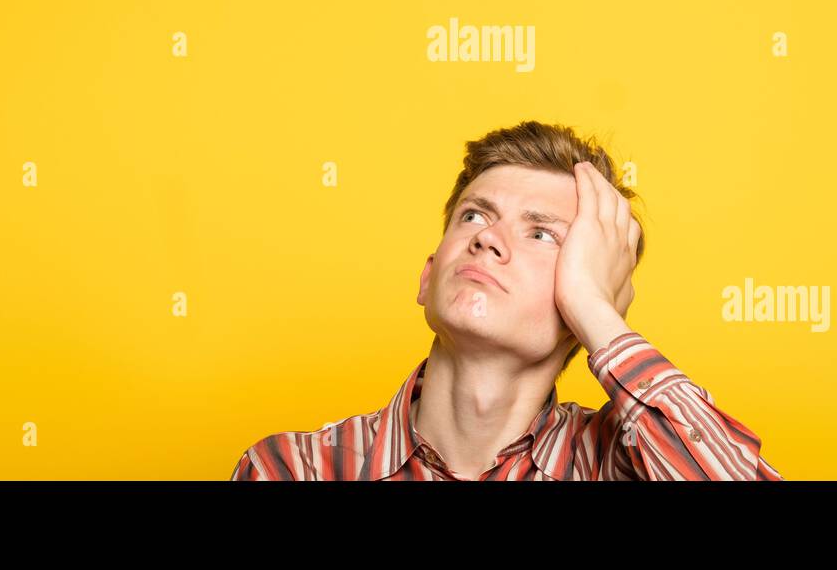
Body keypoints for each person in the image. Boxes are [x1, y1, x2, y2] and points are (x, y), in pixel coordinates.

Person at [230, 119, 782, 480]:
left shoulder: (621, 469)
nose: (487, 238)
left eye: (541, 233)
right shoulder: (295, 468)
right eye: (474, 215)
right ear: (428, 276)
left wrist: (600, 317)